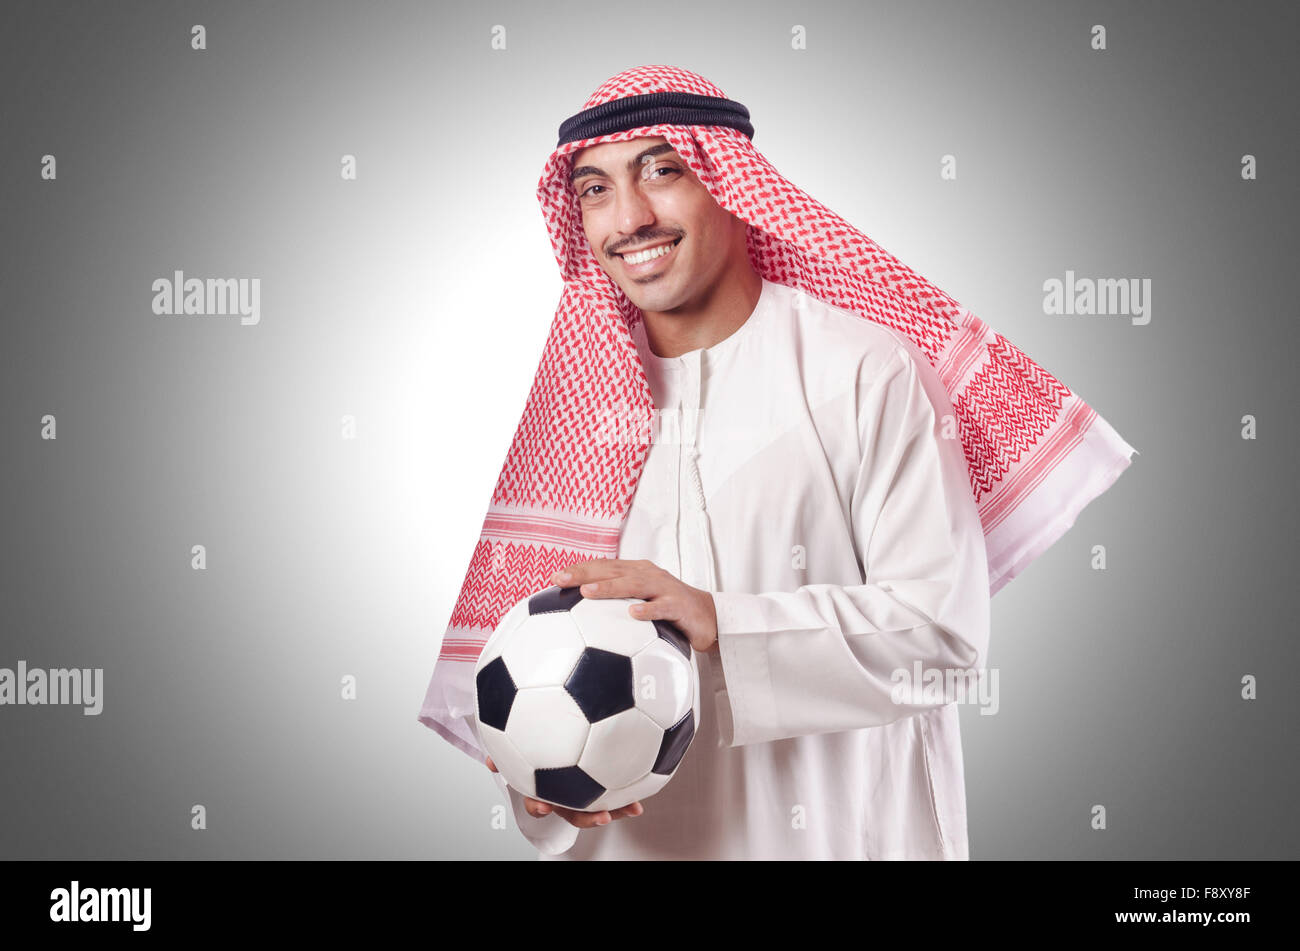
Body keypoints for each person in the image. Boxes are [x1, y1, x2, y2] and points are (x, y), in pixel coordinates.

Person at [419, 65, 1136, 859]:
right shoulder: (576, 422)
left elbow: (942, 637)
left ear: (732, 184)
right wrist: (536, 780)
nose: (629, 218)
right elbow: (538, 676)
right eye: (594, 189)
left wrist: (723, 622)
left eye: (663, 171)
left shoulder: (865, 373)